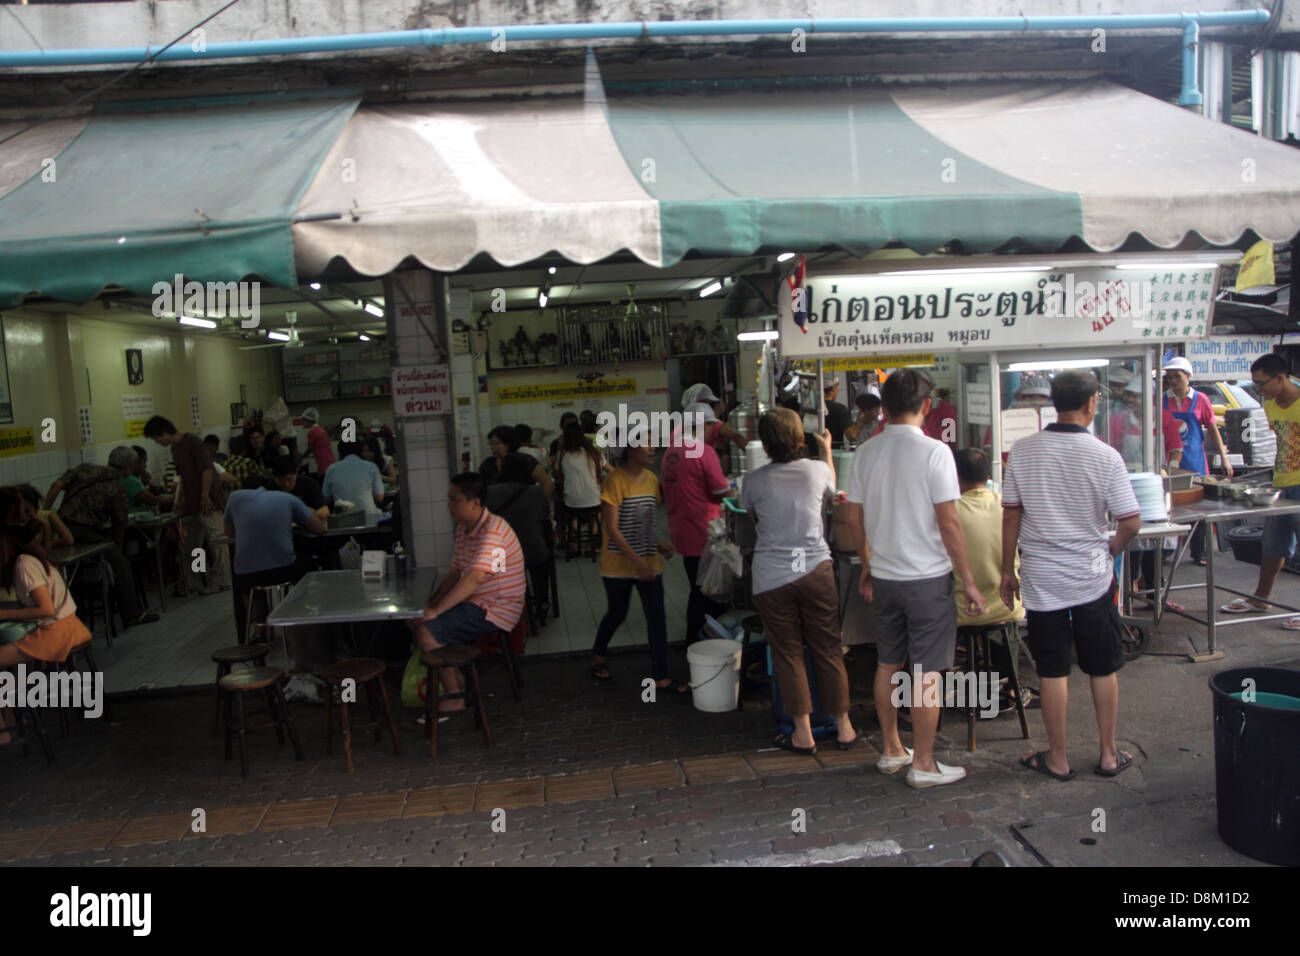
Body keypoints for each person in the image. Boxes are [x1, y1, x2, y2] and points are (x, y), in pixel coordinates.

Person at [999, 370, 1142, 781]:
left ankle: (1058, 759)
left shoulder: (1022, 451)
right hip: (1092, 578)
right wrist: (1108, 550)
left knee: (1052, 669)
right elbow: (1130, 522)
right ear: (1092, 402)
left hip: (1043, 580)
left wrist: (1007, 570)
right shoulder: (1106, 455)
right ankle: (1109, 755)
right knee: (1102, 666)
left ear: (1051, 403)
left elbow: (1011, 514)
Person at [846, 368, 984, 789]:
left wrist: (867, 562)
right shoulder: (935, 453)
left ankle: (891, 750)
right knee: (926, 673)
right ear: (926, 406)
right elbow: (949, 523)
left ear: (882, 408)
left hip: (885, 578)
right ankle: (923, 762)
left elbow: (853, 514)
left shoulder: (867, 452)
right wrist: (969, 578)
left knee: (888, 662)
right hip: (927, 580)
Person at [743, 409, 857, 753]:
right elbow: (832, 492)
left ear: (764, 443)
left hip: (773, 577)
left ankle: (803, 733)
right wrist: (825, 450)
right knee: (828, 648)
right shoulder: (818, 470)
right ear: (798, 438)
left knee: (788, 654)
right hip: (816, 571)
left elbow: (753, 518)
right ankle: (845, 727)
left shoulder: (754, 480)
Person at [410, 473, 526, 718]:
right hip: (476, 602)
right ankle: (458, 679)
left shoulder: (493, 532)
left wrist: (437, 611)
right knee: (416, 618)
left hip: (496, 608)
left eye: (455, 500)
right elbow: (455, 573)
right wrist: (432, 602)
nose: (449, 506)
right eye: (449, 499)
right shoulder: (465, 529)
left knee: (425, 629)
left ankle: (454, 697)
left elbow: (475, 578)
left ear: (475, 502)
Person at [589, 441, 686, 695]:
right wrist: (637, 561)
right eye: (646, 444)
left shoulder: (652, 479)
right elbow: (612, 529)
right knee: (617, 613)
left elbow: (643, 524)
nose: (653, 449)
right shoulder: (614, 481)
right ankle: (598, 655)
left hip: (648, 561)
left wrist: (658, 544)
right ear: (630, 449)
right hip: (617, 565)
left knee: (656, 618)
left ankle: (661, 675)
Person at [1221, 353, 1300, 625]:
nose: (1259, 390)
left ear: (1281, 377)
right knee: (1273, 546)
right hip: (1282, 483)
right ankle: (1260, 598)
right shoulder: (1270, 404)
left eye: (1262, 383)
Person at [953, 448, 1028, 711]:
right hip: (1005, 607)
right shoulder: (1006, 506)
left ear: (955, 477)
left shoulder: (948, 512)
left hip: (961, 611)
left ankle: (915, 701)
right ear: (988, 475)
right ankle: (1009, 687)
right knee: (1002, 629)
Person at [44, 460, 158, 627]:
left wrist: (45, 513)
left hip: (61, 527)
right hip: (86, 531)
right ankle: (132, 615)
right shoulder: (117, 489)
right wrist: (116, 553)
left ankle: (68, 616)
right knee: (122, 565)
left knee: (66, 570)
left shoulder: (83, 469)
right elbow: (120, 526)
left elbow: (56, 485)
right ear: (126, 468)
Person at [224, 476, 326, 639]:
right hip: (284, 570)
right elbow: (319, 529)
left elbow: (229, 533)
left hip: (247, 576)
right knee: (311, 563)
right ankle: (308, 619)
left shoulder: (234, 497)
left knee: (247, 581)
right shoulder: (287, 498)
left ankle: (259, 630)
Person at [661, 409, 730, 648]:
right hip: (704, 532)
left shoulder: (671, 452)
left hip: (682, 530)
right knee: (707, 591)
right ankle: (700, 642)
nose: (713, 432)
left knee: (698, 586)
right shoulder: (704, 451)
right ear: (705, 425)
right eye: (712, 427)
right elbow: (721, 492)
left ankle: (704, 639)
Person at [145, 416, 233, 597]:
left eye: (156, 438)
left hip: (209, 501)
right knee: (193, 545)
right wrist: (180, 502)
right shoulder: (175, 449)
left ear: (162, 433)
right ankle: (196, 580)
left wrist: (204, 495)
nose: (157, 442)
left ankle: (221, 581)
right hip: (192, 503)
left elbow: (207, 469)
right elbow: (183, 477)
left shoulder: (192, 441)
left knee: (216, 540)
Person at [1163, 355, 1232, 565]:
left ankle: (1199, 552)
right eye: (1170, 377)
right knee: (1169, 506)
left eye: (1177, 377)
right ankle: (1166, 549)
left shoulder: (1201, 399)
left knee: (1197, 508)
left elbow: (1212, 429)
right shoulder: (1161, 399)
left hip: (1194, 460)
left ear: (1188, 377)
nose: (1173, 381)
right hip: (1170, 460)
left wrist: (1224, 458)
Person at [0, 523, 94, 674]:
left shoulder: (24, 565)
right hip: (68, 626)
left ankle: (21, 689)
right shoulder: (30, 561)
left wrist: (4, 614)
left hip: (57, 633)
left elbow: (46, 609)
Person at [486, 453, 553, 620]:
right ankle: (542, 602)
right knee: (540, 563)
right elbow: (545, 522)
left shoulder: (489, 493)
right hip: (532, 551)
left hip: (501, 556)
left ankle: (508, 605)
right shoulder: (537, 493)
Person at [558, 421, 607, 558]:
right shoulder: (594, 454)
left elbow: (558, 474)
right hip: (593, 500)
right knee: (597, 513)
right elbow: (612, 471)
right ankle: (592, 544)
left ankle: (573, 545)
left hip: (572, 503)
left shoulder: (562, 455)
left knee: (574, 515)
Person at [480, 425, 555, 498]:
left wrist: (539, 505)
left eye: (496, 443)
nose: (492, 447)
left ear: (508, 444)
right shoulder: (488, 464)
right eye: (491, 444)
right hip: (497, 508)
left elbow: (548, 485)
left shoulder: (525, 461)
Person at [322, 440, 385, 523]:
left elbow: (326, 498)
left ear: (340, 452)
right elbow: (379, 498)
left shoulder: (331, 469)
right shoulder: (371, 467)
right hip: (369, 519)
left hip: (342, 521)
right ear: (360, 451)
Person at [112, 445, 169, 515]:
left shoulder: (130, 479)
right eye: (144, 462)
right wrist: (172, 499)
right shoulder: (128, 479)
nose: (146, 466)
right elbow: (151, 500)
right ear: (135, 463)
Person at [18, 485, 73, 552]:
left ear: (36, 508)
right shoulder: (17, 523)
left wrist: (42, 545)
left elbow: (68, 540)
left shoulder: (48, 516)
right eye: (18, 511)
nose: (22, 516)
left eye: (26, 511)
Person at [303, 407, 336, 476]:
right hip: (331, 462)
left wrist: (300, 458)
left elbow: (310, 449)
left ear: (309, 420)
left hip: (323, 464)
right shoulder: (321, 429)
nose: (303, 422)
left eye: (304, 420)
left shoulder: (312, 431)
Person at [821, 377, 853, 445]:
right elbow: (851, 436)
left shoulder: (814, 407)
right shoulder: (840, 409)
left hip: (813, 451)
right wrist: (861, 421)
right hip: (834, 451)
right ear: (834, 389)